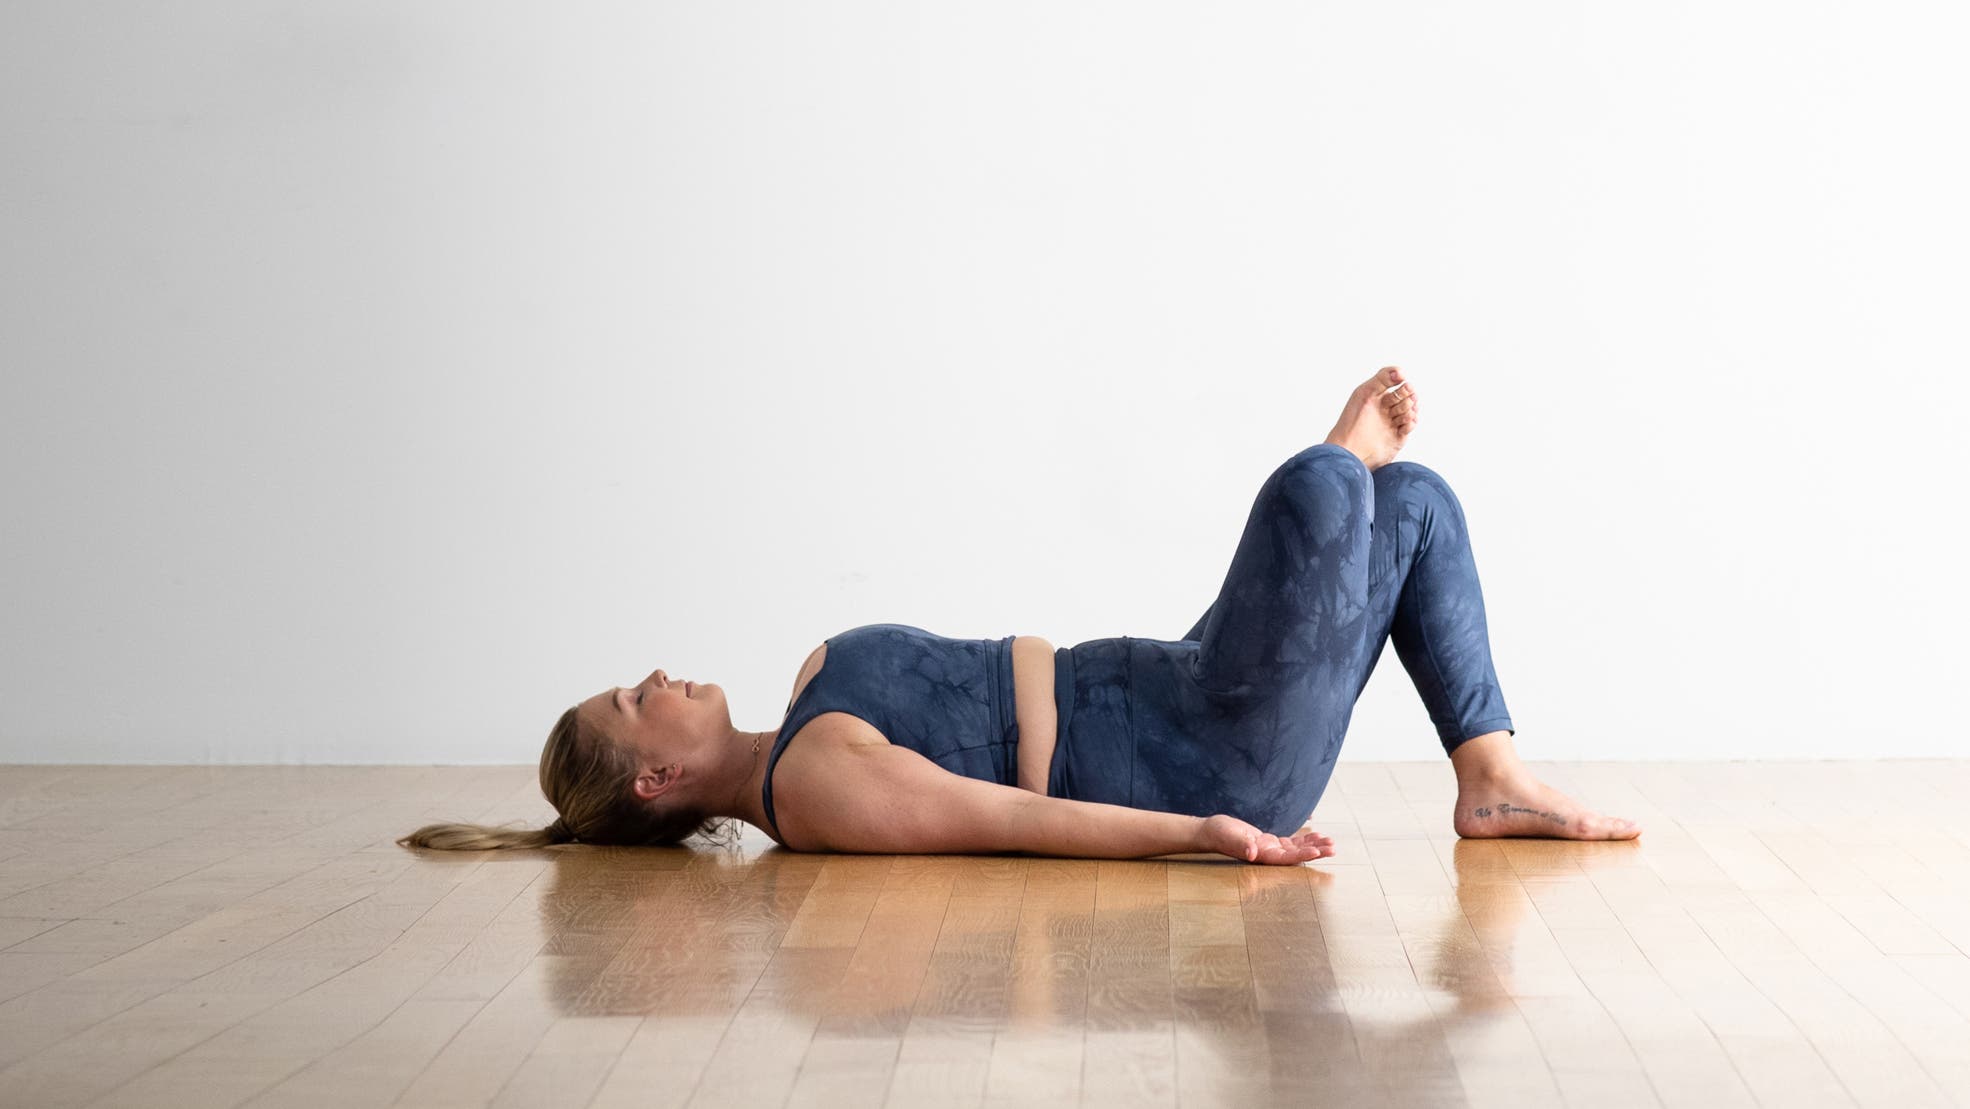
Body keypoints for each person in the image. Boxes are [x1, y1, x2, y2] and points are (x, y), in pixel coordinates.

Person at [399, 367, 1641, 865]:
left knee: (1408, 496)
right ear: (659, 775)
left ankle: (1489, 777)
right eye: (632, 696)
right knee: (1323, 483)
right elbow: (1005, 820)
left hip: (1185, 678)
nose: (653, 673)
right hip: (1202, 757)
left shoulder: (811, 694)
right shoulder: (815, 782)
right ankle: (1338, 460)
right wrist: (1199, 834)